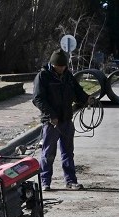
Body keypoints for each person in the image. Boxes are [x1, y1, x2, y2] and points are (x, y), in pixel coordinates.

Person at [32, 50, 92, 191]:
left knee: (68, 152)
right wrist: (51, 115)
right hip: (51, 122)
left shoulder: (68, 76)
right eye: (59, 66)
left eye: (63, 66)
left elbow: (77, 92)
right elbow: (37, 99)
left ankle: (71, 181)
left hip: (66, 120)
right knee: (48, 153)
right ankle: (45, 181)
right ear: (53, 65)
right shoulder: (43, 77)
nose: (62, 68)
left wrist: (87, 99)